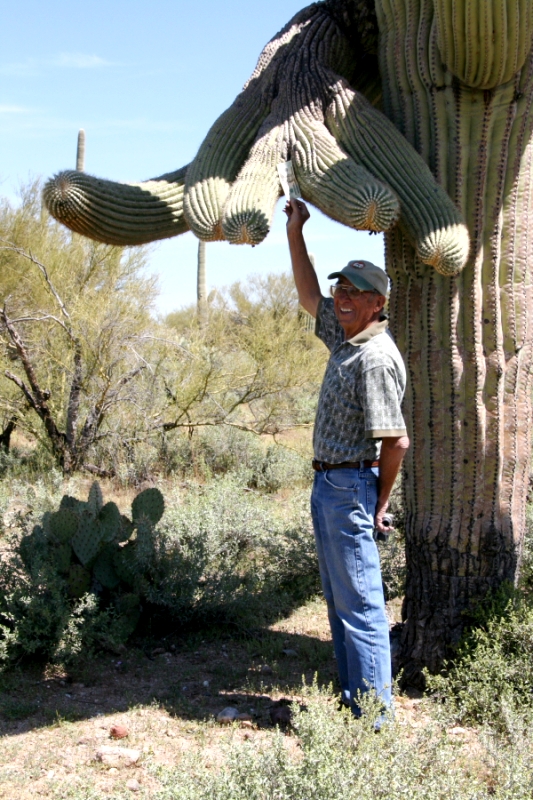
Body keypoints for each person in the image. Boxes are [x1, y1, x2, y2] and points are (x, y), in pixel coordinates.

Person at [284, 197, 409, 718]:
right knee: (341, 604)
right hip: (330, 486)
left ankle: (374, 722)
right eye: (342, 287)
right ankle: (353, 704)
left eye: (355, 292)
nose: (342, 296)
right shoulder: (347, 337)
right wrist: (296, 231)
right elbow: (309, 292)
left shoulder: (375, 357)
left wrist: (377, 503)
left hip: (351, 487)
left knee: (361, 608)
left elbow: (395, 441)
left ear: (377, 303)